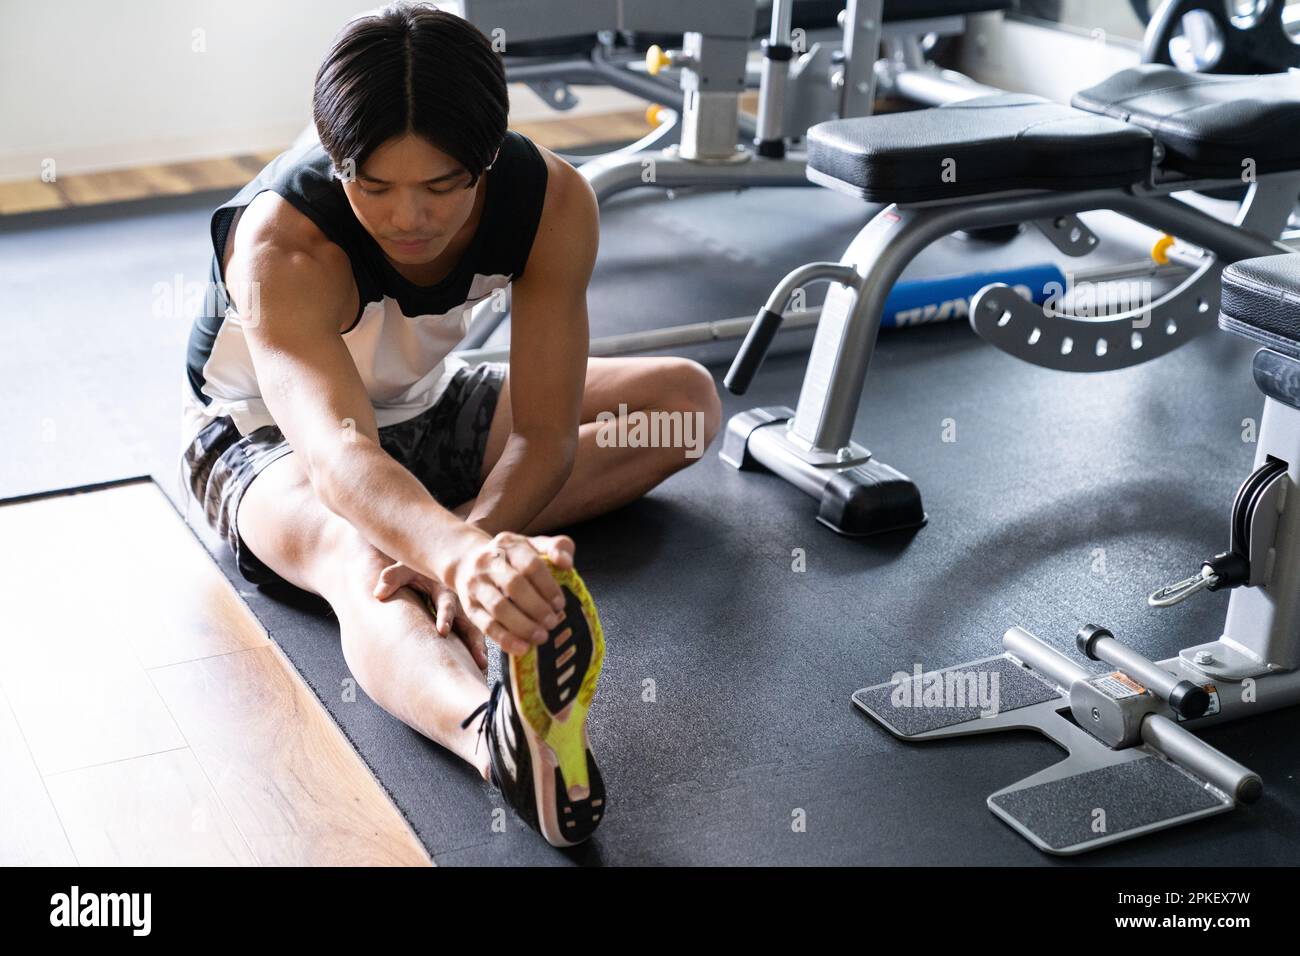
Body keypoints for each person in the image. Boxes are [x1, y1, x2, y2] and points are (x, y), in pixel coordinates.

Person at [179, 2, 721, 846]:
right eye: (377, 188)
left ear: (488, 161)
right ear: (336, 160)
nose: (409, 219)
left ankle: (441, 547)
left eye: (442, 187)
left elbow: (543, 434)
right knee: (359, 550)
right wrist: (459, 557)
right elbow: (340, 455)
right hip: (265, 442)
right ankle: (495, 737)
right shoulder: (282, 244)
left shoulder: (552, 202)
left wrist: (470, 546)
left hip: (429, 402)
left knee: (682, 408)